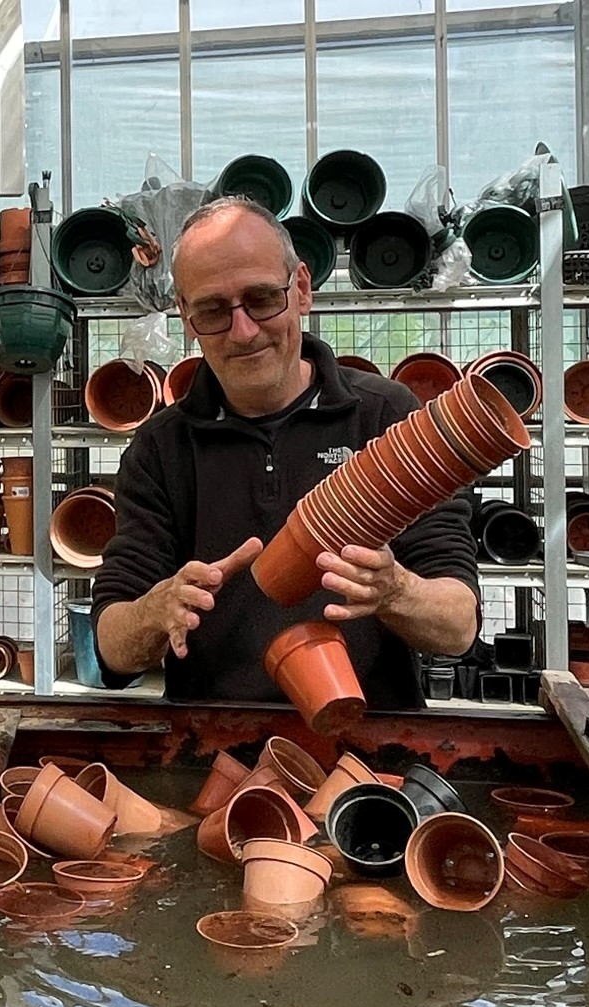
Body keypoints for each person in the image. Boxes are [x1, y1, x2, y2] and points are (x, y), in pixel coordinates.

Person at [92, 197, 480, 707]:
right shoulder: (162, 447)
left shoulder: (384, 416)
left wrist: (395, 591)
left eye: (260, 299)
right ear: (185, 316)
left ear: (300, 289)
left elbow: (459, 626)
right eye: (212, 310)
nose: (244, 330)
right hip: (214, 754)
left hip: (369, 757)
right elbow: (111, 647)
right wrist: (154, 611)